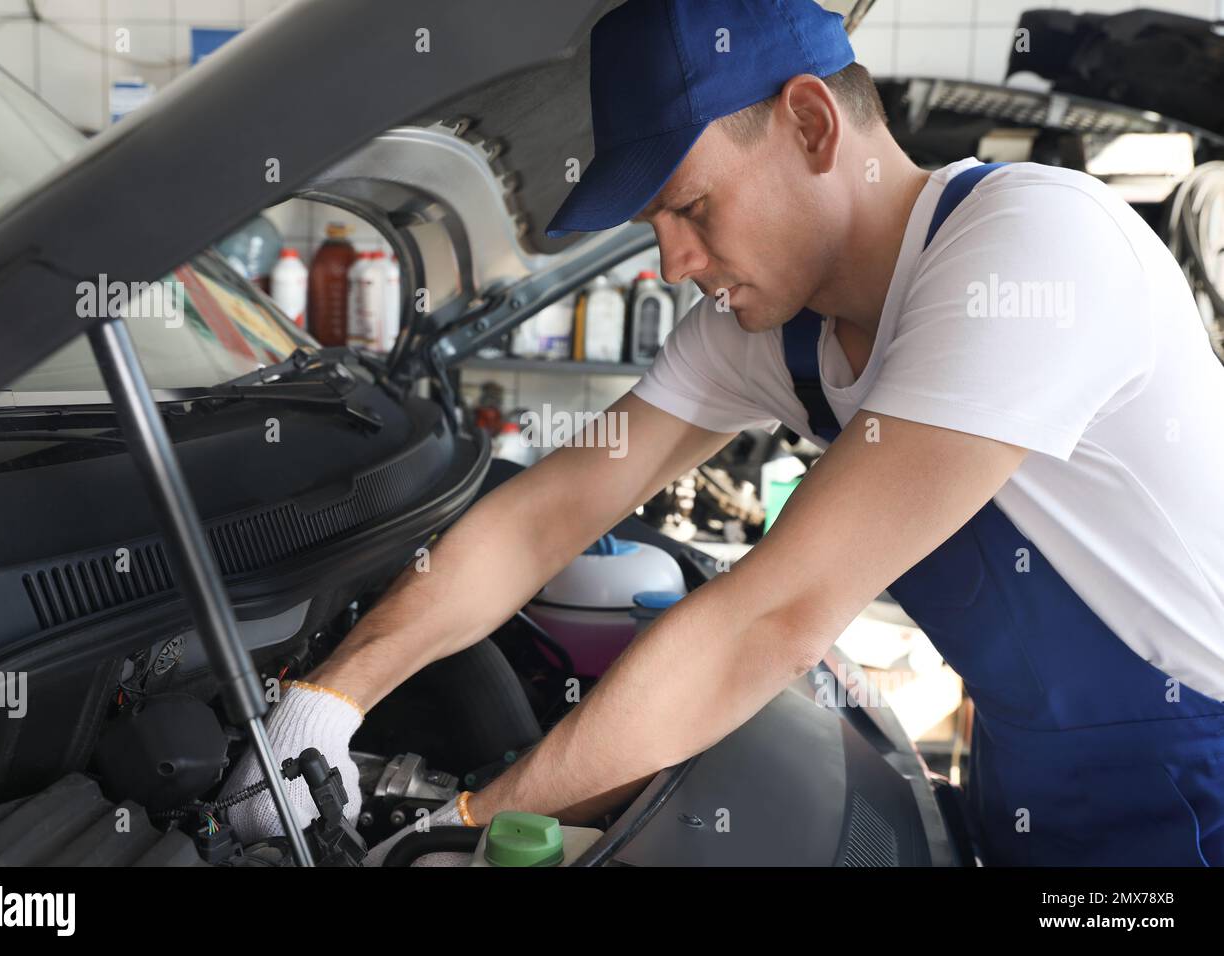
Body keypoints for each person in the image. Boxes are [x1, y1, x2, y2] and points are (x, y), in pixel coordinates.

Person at [222, 0, 1224, 866]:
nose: (671, 261)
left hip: (1197, 790)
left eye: (691, 205)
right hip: (1026, 777)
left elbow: (768, 622)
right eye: (655, 222)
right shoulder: (769, 335)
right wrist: (327, 699)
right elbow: (542, 515)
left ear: (808, 122)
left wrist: (470, 825)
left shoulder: (1028, 252)